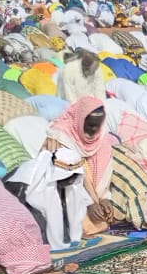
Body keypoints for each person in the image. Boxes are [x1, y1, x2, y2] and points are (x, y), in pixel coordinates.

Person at [43, 97, 116, 232]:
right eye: (90, 125)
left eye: (98, 125)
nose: (94, 130)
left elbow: (105, 176)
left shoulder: (102, 139)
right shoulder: (59, 137)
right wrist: (87, 203)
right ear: (80, 121)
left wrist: (105, 199)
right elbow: (59, 179)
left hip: (91, 198)